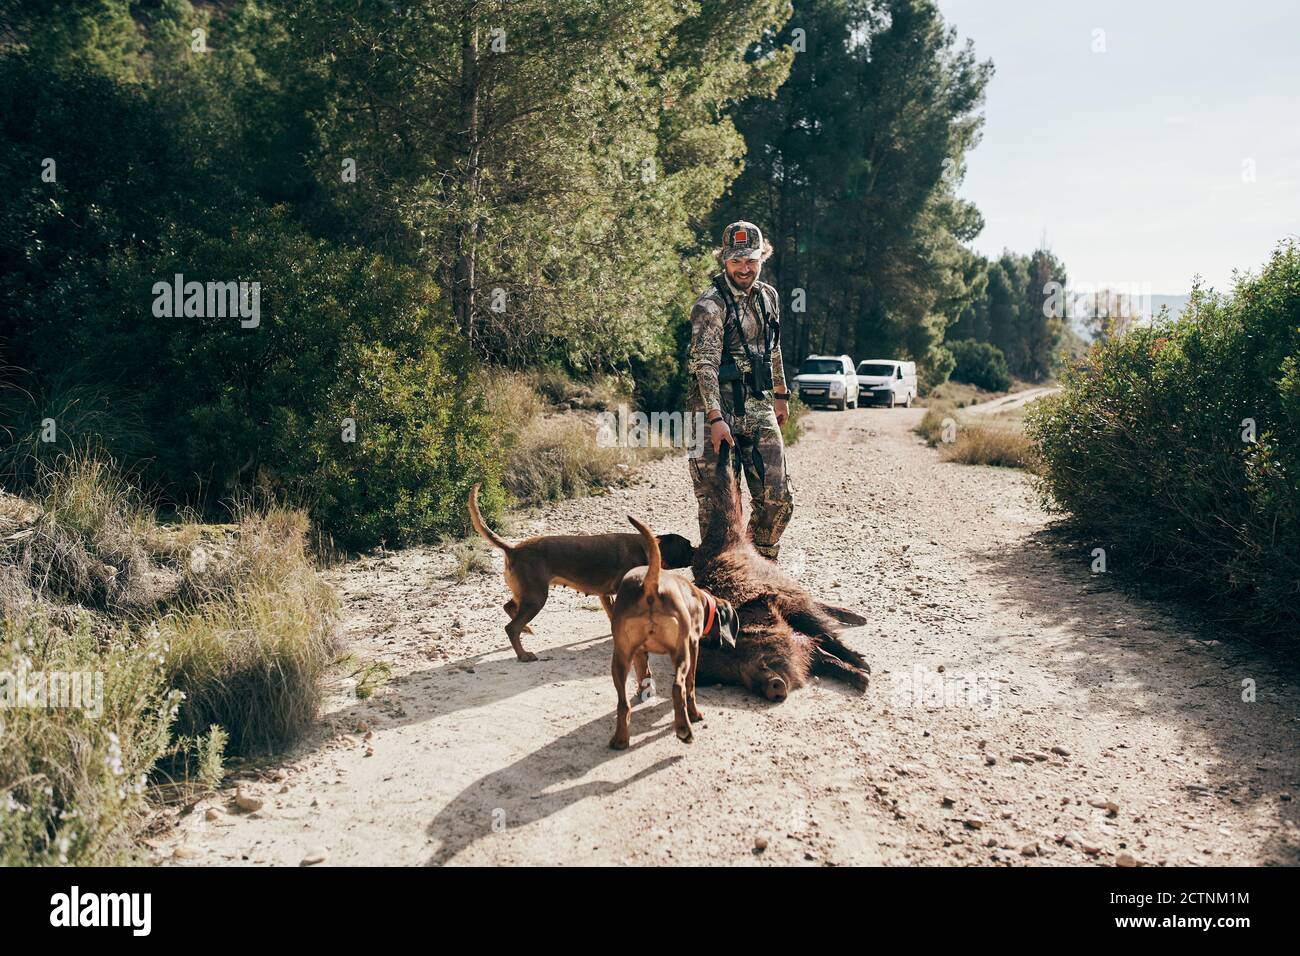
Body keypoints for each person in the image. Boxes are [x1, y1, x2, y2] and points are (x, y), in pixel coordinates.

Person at [685, 220, 793, 561]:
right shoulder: (709, 305)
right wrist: (716, 418)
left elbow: (774, 347)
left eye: (751, 260)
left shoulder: (769, 296)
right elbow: (704, 365)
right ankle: (720, 582)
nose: (744, 269)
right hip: (712, 409)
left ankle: (760, 568)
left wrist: (781, 395)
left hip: (758, 403)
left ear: (762, 257)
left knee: (778, 499)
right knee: (718, 506)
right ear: (724, 261)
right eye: (736, 261)